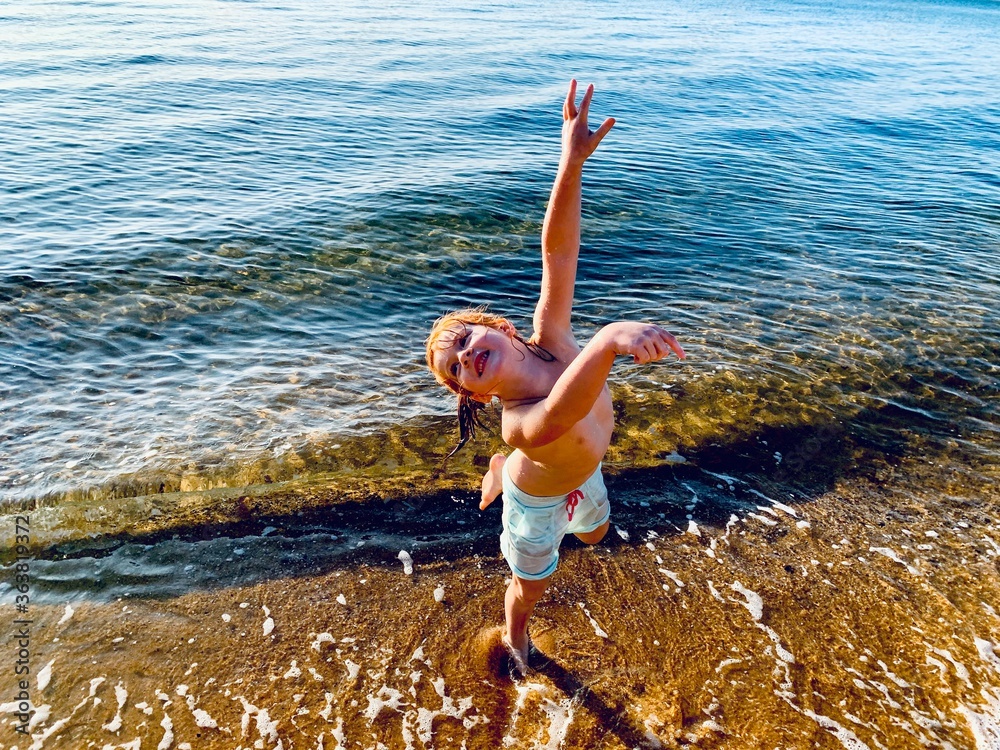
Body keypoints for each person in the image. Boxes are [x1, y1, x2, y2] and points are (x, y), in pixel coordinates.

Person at [425, 79, 685, 673]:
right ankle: (515, 634)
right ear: (473, 393)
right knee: (534, 582)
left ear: (502, 329)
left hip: (586, 474)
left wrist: (570, 160)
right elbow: (565, 409)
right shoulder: (519, 422)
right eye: (457, 368)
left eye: (467, 338)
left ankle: (508, 479)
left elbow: (557, 253)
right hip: (536, 504)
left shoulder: (552, 335)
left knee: (595, 538)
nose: (466, 354)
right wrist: (609, 338)